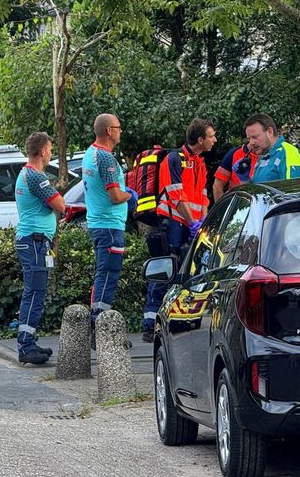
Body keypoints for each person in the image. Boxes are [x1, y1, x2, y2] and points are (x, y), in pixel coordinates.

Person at [142, 118, 215, 342]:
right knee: (166, 268)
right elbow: (175, 195)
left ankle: (182, 318)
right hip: (172, 222)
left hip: (191, 224)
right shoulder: (175, 159)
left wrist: (201, 223)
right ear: (200, 139)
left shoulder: (200, 162)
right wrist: (192, 221)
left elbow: (203, 195)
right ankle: (149, 323)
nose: (214, 140)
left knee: (190, 271)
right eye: (211, 136)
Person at [13, 132, 65, 365]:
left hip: (32, 240)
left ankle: (29, 340)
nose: (51, 153)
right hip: (34, 241)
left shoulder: (25, 174)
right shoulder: (36, 177)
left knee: (33, 292)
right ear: (43, 151)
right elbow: (60, 205)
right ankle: (26, 345)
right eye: (50, 149)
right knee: (35, 293)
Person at [82, 114, 136, 325]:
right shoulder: (105, 157)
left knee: (102, 272)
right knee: (108, 274)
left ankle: (97, 322)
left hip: (98, 223)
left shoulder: (90, 153)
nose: (120, 131)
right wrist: (130, 195)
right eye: (118, 127)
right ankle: (101, 326)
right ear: (109, 131)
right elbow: (115, 196)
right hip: (110, 225)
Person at [245, 113, 300, 184]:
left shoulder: (289, 154)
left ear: (270, 132)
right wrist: (245, 180)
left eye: (255, 137)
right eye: (249, 139)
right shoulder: (263, 157)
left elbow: (294, 191)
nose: (251, 142)